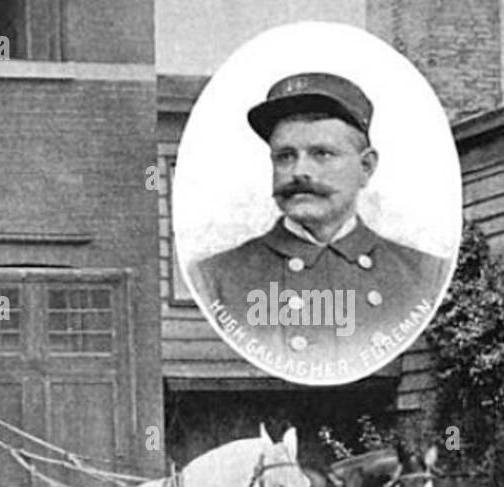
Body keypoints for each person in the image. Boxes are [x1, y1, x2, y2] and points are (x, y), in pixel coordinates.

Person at [189, 72, 452, 381]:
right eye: (285, 156)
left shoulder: (424, 274)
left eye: (322, 154)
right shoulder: (214, 279)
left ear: (366, 167)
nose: (299, 172)